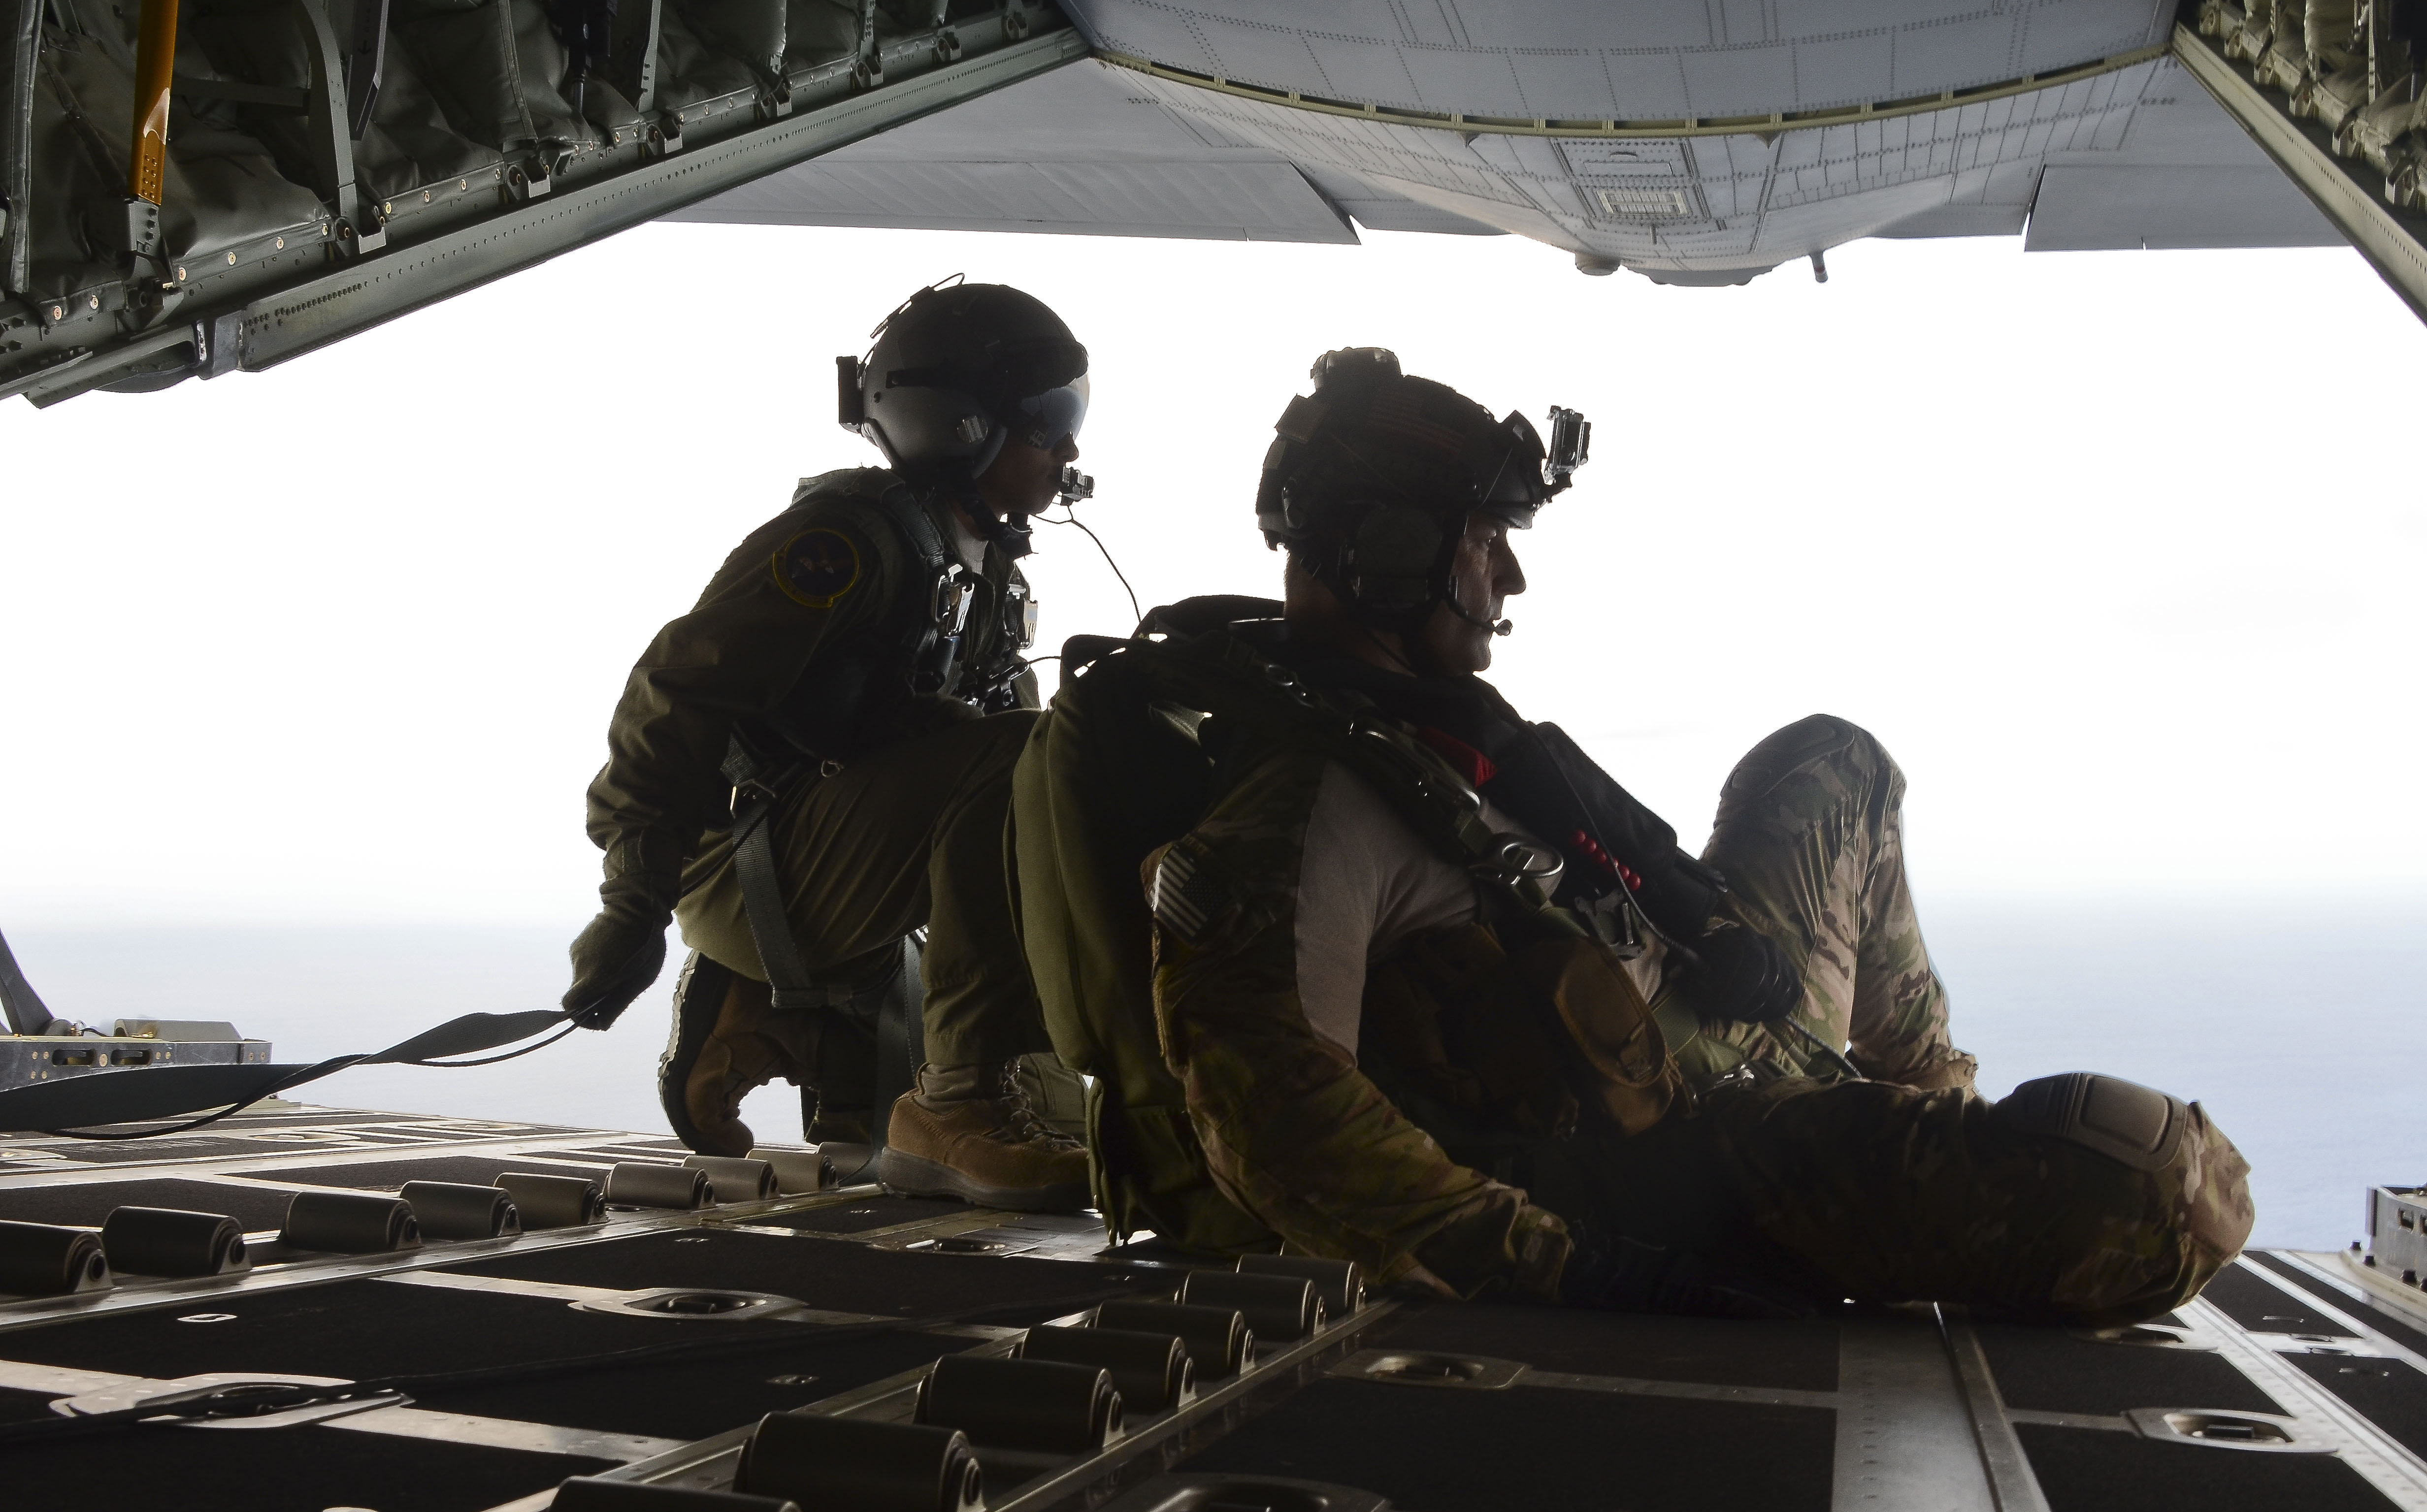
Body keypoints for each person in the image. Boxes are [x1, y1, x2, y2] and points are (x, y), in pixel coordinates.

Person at [1019, 346, 2252, 1319]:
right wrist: (1585, 1271)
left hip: (1716, 1015)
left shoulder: (1418, 731)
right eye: (1484, 544)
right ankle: (1906, 1165)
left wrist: (1715, 941)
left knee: (1836, 762)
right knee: (2158, 1189)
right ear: (1391, 554)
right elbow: (1280, 1129)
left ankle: (1919, 1111)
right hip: (1692, 1154)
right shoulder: (1301, 811)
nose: (1509, 582)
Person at [558, 279, 1091, 1211]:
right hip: (749, 874)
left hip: (833, 870)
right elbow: (677, 693)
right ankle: (954, 1101)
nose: (1070, 447)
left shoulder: (985, 574)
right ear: (961, 426)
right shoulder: (850, 545)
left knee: (1070, 1127)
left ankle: (809, 1023)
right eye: (1049, 420)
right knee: (1030, 757)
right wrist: (632, 901)